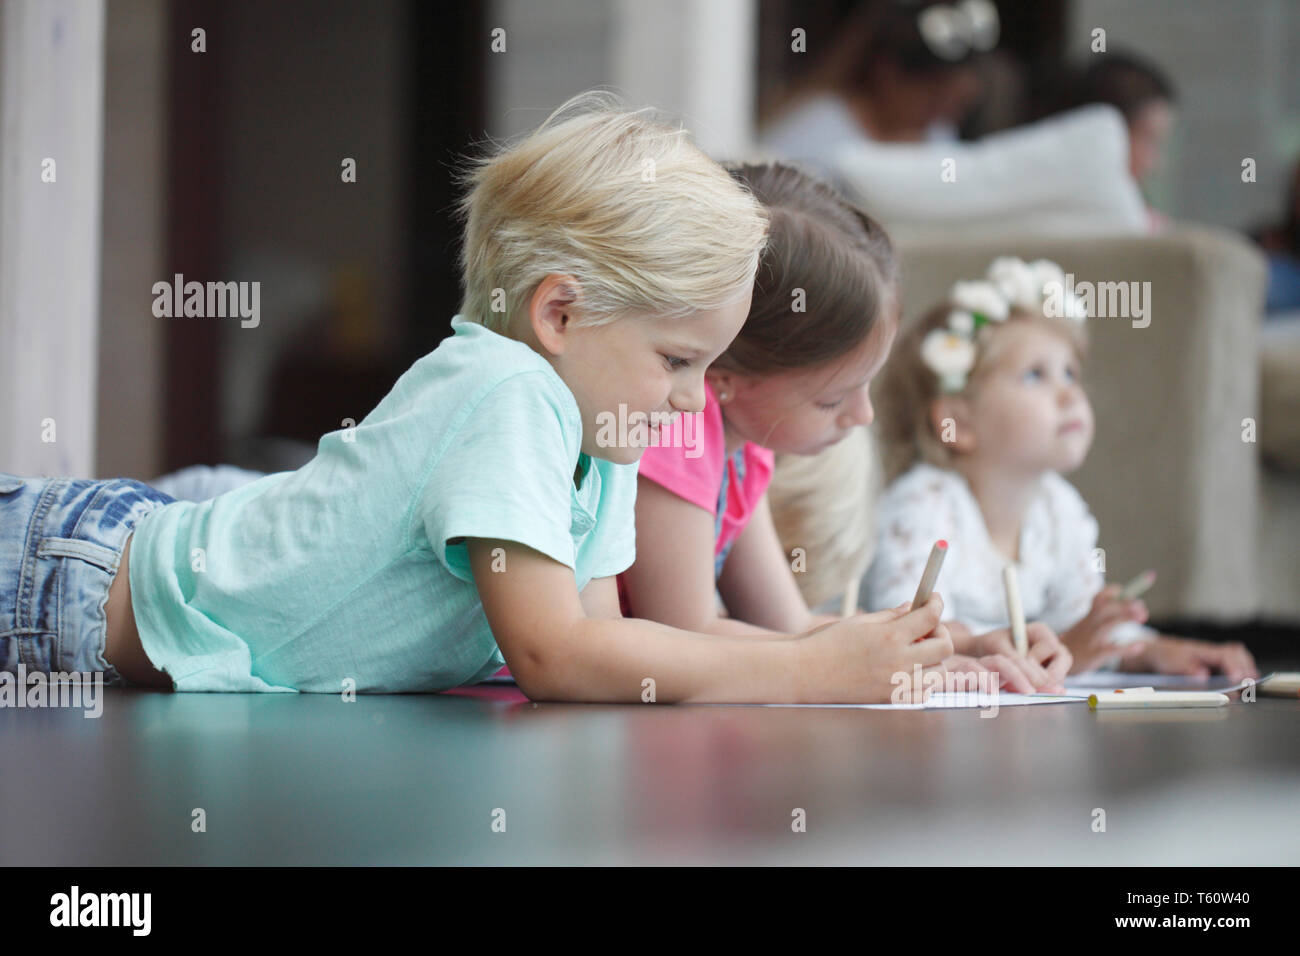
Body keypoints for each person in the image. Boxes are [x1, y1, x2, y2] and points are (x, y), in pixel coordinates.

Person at [1, 91, 953, 704]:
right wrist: (803, 671)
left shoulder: (601, 440)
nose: (690, 402)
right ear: (559, 315)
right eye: (674, 360)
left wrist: (838, 657)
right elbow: (552, 656)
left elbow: (603, 650)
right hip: (71, 579)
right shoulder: (505, 393)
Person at [620, 163, 1069, 693]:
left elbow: (788, 626)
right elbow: (688, 633)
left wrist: (959, 642)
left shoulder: (743, 453)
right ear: (723, 377)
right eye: (833, 398)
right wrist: (866, 663)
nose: (864, 416)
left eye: (866, 388)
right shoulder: (682, 435)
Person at [865, 256, 1259, 680]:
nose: (1070, 393)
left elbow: (1083, 628)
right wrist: (1066, 650)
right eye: (1036, 375)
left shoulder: (1058, 507)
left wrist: (1155, 650)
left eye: (1070, 373)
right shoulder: (922, 507)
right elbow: (911, 641)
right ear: (957, 422)